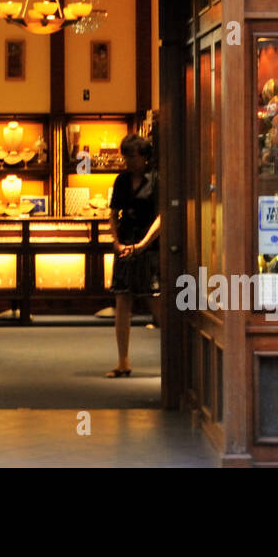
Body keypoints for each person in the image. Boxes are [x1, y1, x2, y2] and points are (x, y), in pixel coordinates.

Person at [106, 134, 160, 377]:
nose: (128, 161)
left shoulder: (156, 180)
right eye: (125, 156)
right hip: (126, 244)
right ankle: (123, 360)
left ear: (145, 158)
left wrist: (144, 243)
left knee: (155, 301)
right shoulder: (121, 180)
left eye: (132, 156)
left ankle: (174, 361)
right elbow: (113, 213)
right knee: (122, 301)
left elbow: (162, 216)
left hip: (150, 248)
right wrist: (117, 242)